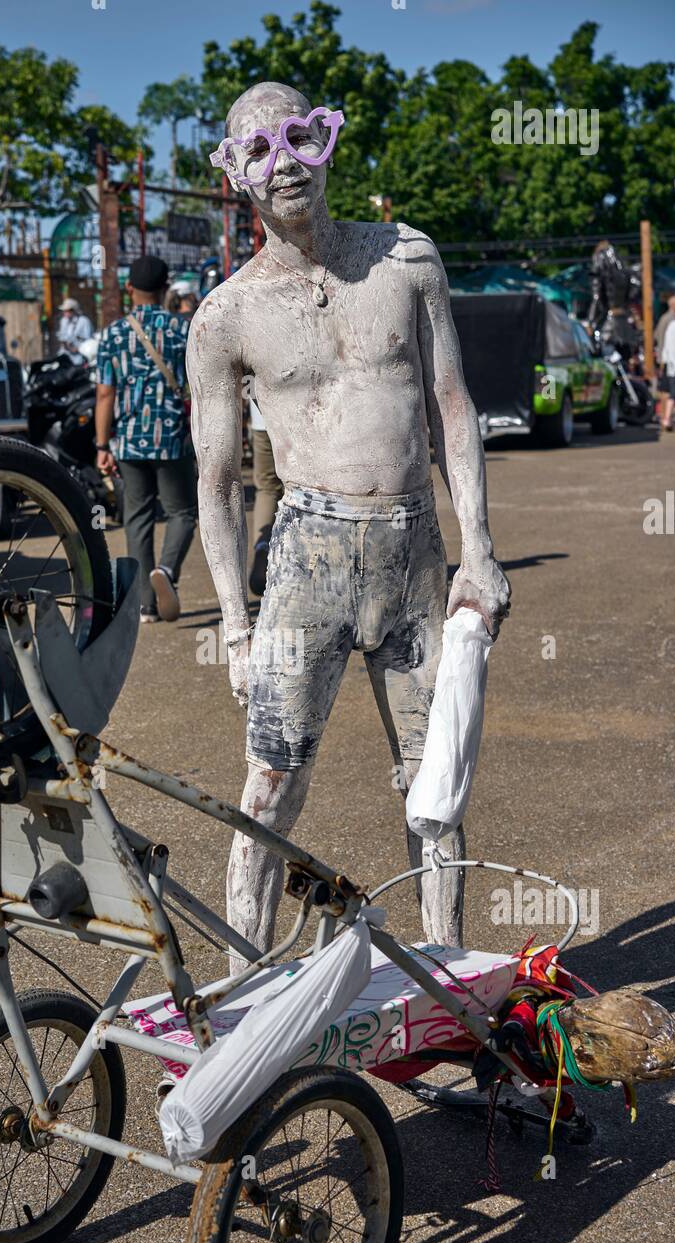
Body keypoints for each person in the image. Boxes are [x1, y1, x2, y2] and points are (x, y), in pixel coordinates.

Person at [187, 83, 510, 970]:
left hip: (414, 559)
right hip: (305, 564)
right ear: (233, 172)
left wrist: (477, 551)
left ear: (326, 140)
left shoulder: (406, 260)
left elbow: (451, 408)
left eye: (297, 138)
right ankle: (237, 1004)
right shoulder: (224, 317)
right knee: (270, 786)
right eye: (257, 150)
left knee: (432, 784)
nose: (282, 162)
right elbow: (213, 482)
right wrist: (234, 624)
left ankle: (449, 982)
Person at [95, 254, 198, 622]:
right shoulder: (181, 328)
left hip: (127, 440)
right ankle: (167, 571)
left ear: (129, 288)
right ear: (165, 287)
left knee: (136, 518)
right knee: (183, 512)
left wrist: (102, 444)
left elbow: (105, 393)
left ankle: (144, 605)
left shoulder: (112, 334)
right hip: (171, 437)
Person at [247, 396, 282, 595]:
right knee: (301, 490)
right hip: (304, 417)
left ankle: (262, 547)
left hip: (261, 419)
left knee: (267, 489)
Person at [659, 297, 675, 432]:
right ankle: (666, 418)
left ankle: (666, 418)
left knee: (672, 393)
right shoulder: (670, 321)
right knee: (672, 392)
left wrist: (664, 361)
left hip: (673, 363)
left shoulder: (671, 324)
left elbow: (665, 345)